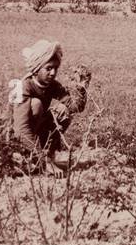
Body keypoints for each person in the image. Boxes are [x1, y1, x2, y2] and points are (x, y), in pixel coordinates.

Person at [9, 39, 90, 171]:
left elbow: (75, 107)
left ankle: (48, 156)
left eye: (55, 68)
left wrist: (81, 87)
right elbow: (20, 129)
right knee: (36, 104)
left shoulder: (52, 85)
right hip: (13, 139)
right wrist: (43, 161)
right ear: (36, 69)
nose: (53, 73)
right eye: (48, 68)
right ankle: (36, 160)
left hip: (33, 136)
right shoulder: (21, 87)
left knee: (63, 111)